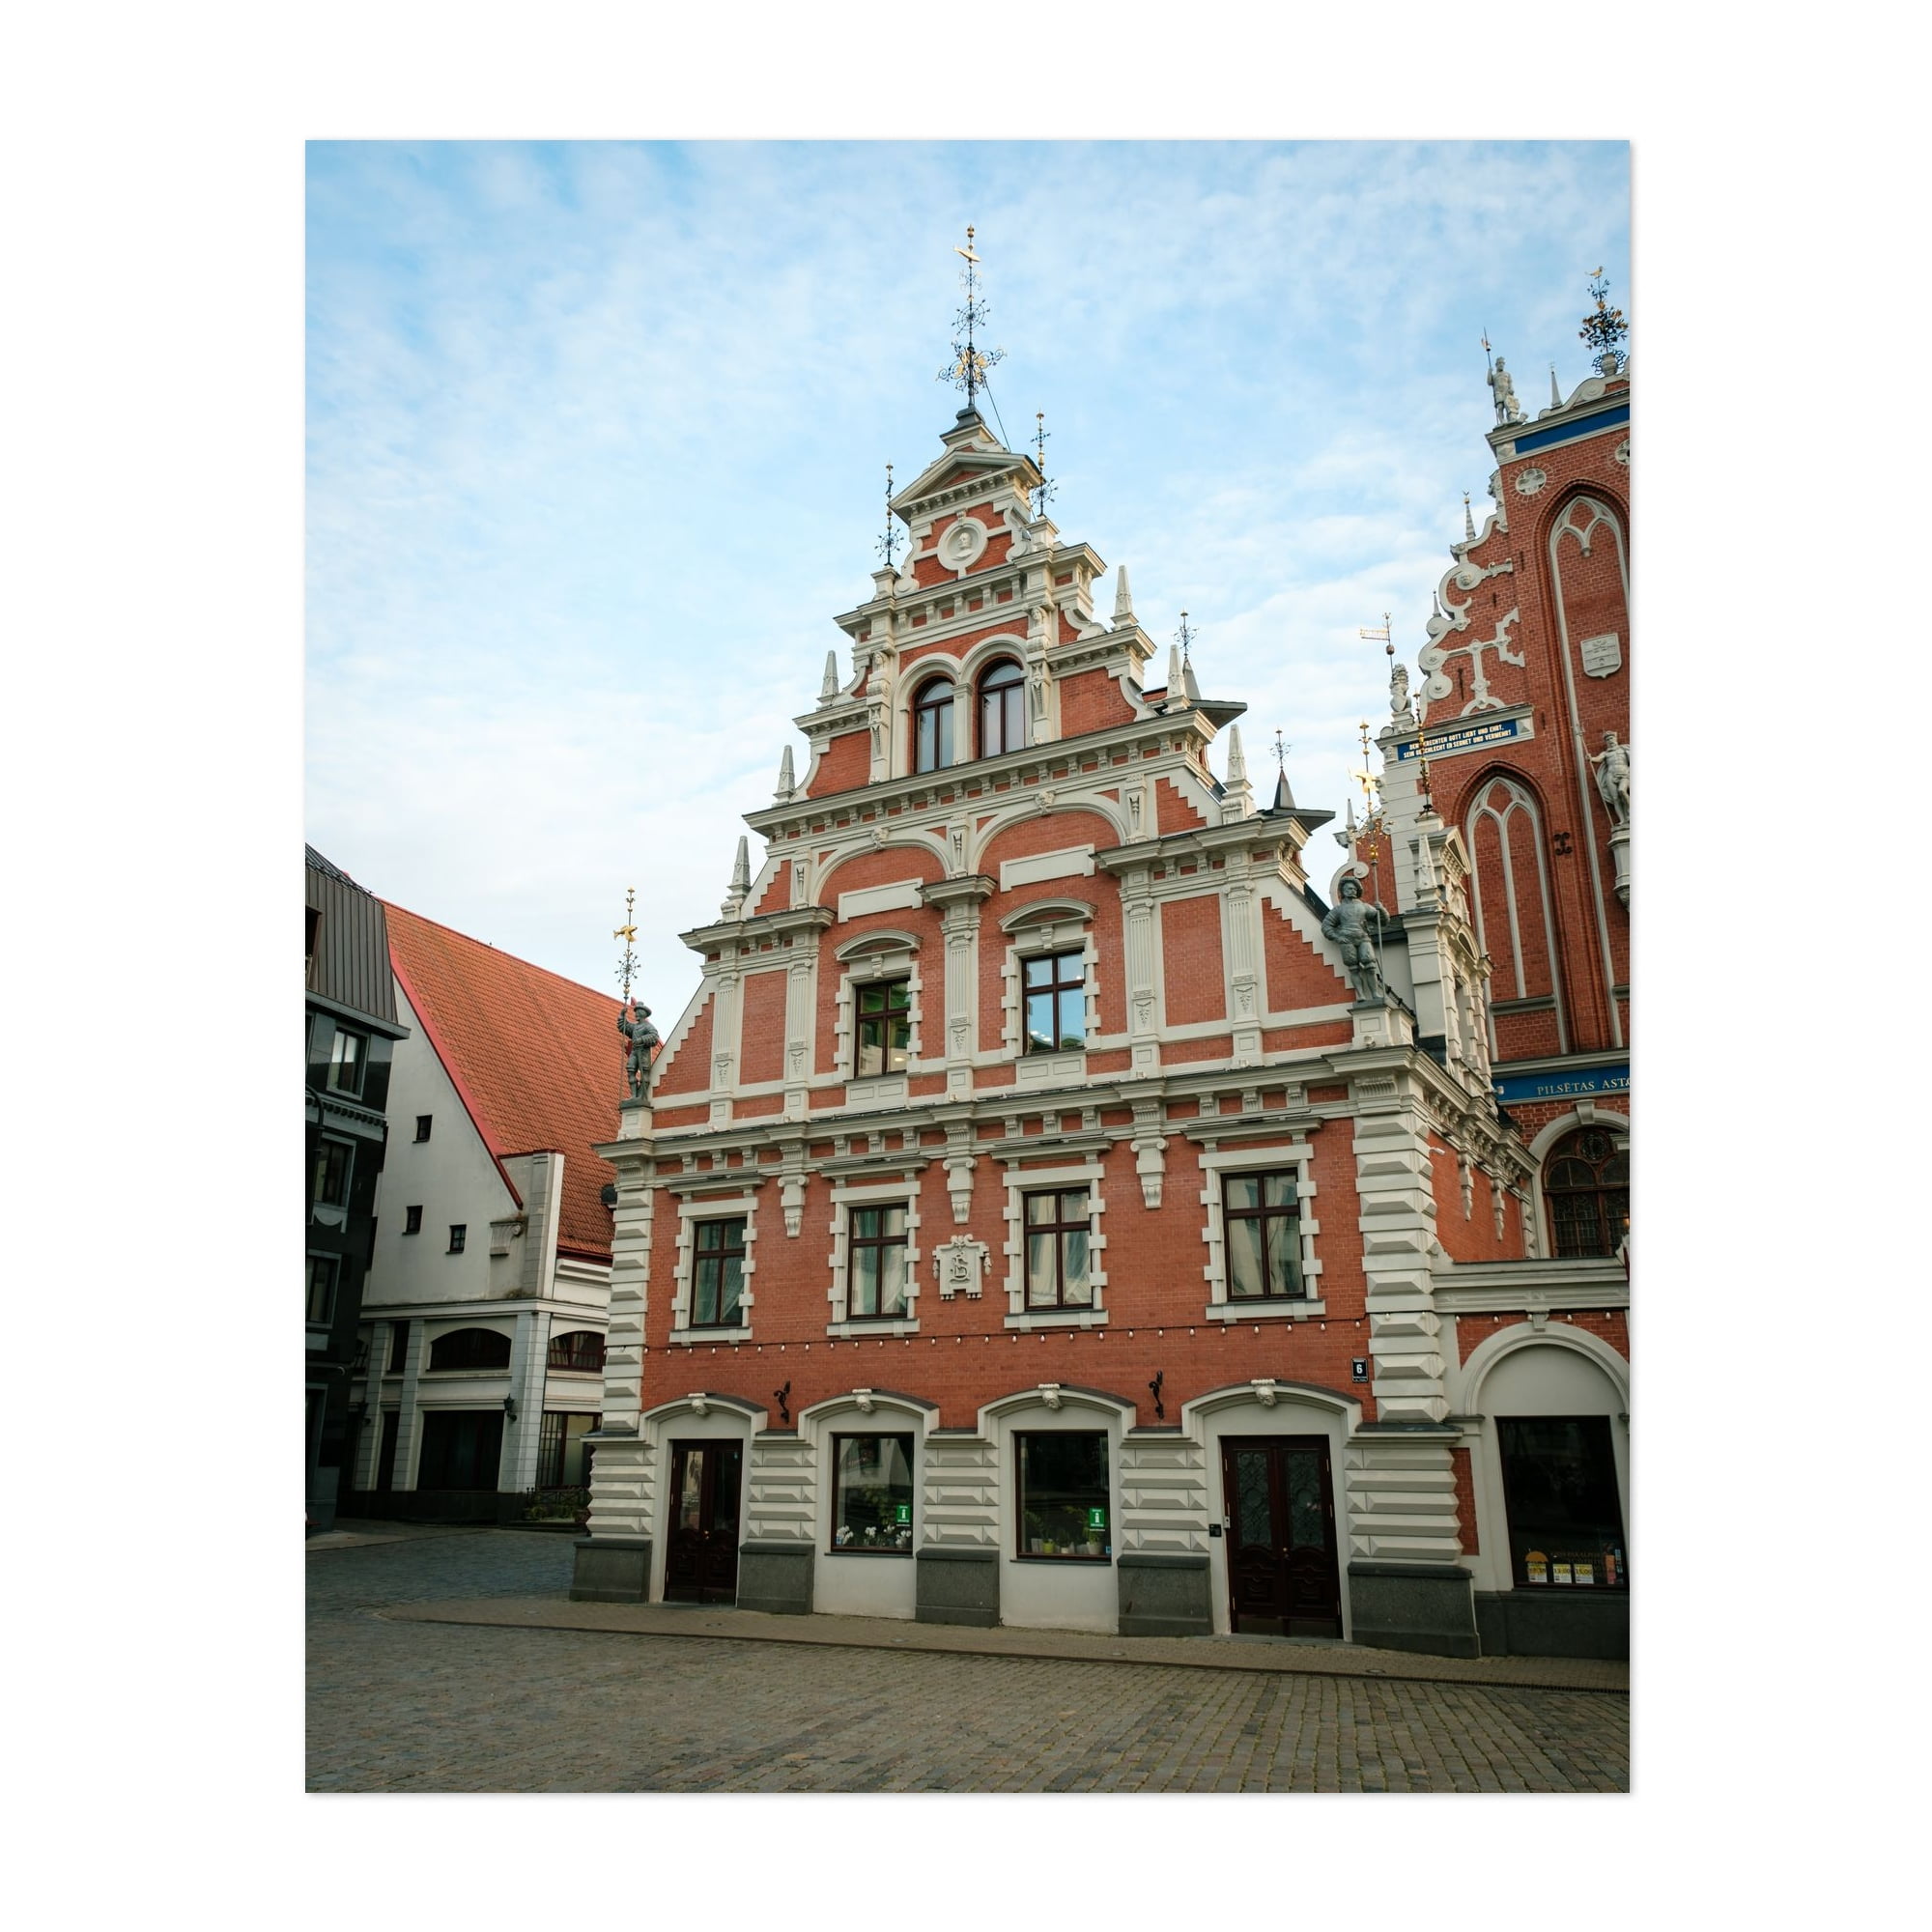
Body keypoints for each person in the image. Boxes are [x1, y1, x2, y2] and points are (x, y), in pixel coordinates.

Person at [1321, 875, 1386, 1004]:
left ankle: (1375, 993)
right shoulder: (1338, 910)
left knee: (1370, 965)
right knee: (1353, 968)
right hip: (1346, 939)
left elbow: (1382, 921)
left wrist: (1381, 910)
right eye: (1349, 888)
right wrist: (1337, 937)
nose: (1352, 890)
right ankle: (1360, 994)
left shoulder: (1364, 907)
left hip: (1363, 937)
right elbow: (1326, 926)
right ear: (1343, 891)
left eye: (1354, 889)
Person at [617, 999, 660, 1099]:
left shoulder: (648, 1026)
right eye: (635, 1012)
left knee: (644, 1073)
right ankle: (634, 1095)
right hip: (635, 1052)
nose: (636, 1014)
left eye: (637, 1012)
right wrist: (622, 1015)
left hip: (643, 1053)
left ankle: (641, 1095)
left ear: (642, 1013)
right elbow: (624, 1026)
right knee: (630, 1070)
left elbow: (654, 1036)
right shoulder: (635, 1027)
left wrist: (641, 1039)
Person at [1589, 731, 1631, 826]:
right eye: (1607, 739)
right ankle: (1622, 820)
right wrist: (1591, 758)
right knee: (1615, 798)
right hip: (1611, 775)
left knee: (1622, 790)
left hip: (1624, 774)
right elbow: (1598, 759)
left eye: (1611, 738)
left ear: (1615, 739)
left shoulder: (1623, 749)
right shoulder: (1606, 753)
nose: (1610, 740)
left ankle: (1630, 812)